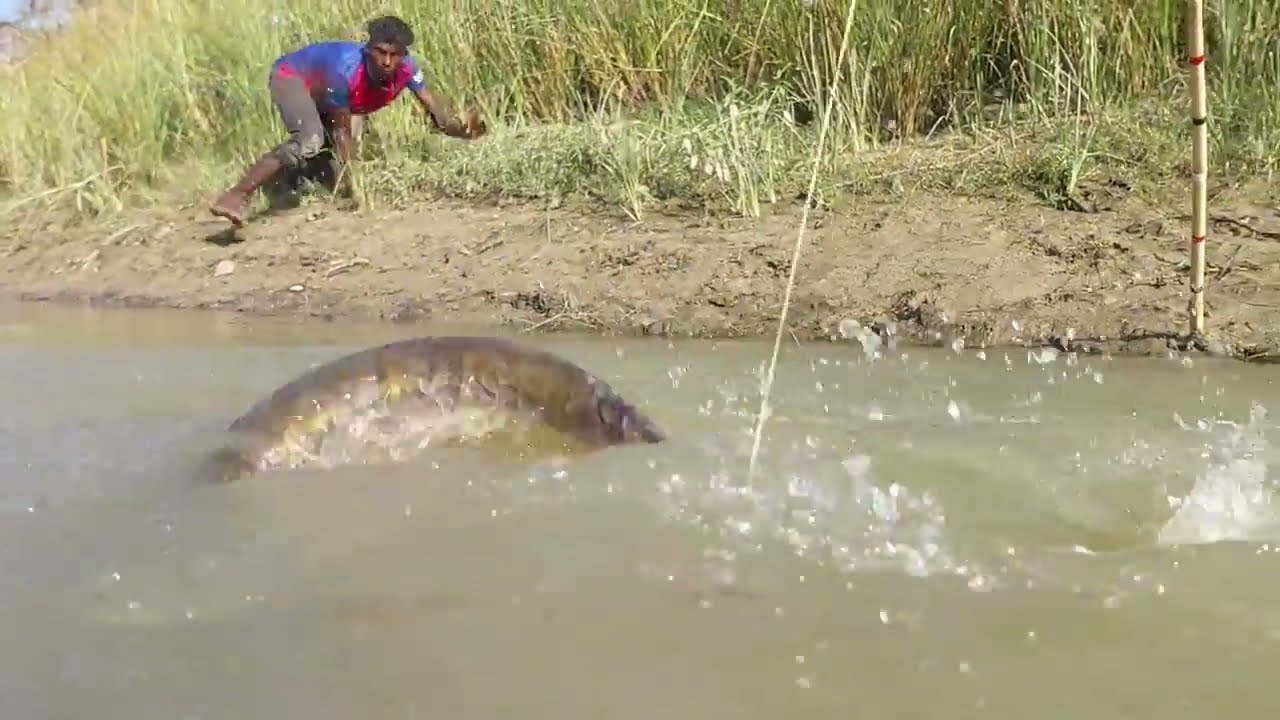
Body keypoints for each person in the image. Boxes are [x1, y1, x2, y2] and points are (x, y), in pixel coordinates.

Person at [208, 14, 486, 226]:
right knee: (310, 139)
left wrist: (463, 130)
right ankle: (237, 194)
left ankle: (295, 180)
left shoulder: (408, 69)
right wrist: (360, 192)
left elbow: (436, 114)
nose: (387, 62)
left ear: (404, 54)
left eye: (394, 55)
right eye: (381, 52)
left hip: (327, 90)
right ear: (368, 50)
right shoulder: (346, 71)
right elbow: (342, 134)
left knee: (333, 153)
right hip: (292, 76)